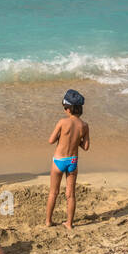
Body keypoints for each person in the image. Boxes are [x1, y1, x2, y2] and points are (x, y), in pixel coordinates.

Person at [46, 89, 89, 229]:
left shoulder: (62, 122)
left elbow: (51, 140)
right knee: (70, 194)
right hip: (72, 162)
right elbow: (86, 146)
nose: (64, 110)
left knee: (53, 192)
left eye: (65, 107)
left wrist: (61, 137)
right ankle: (69, 223)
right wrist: (77, 139)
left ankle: (48, 221)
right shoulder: (84, 126)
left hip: (59, 161)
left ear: (69, 109)